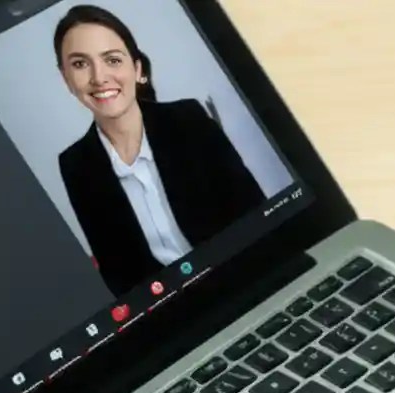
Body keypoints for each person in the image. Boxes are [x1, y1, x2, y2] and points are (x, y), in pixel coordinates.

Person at [54, 4, 266, 297]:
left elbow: (256, 214)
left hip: (250, 278)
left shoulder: (188, 119)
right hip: (172, 306)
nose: (99, 77)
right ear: (66, 78)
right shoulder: (75, 164)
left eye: (112, 60)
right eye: (80, 64)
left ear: (137, 69)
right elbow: (118, 275)